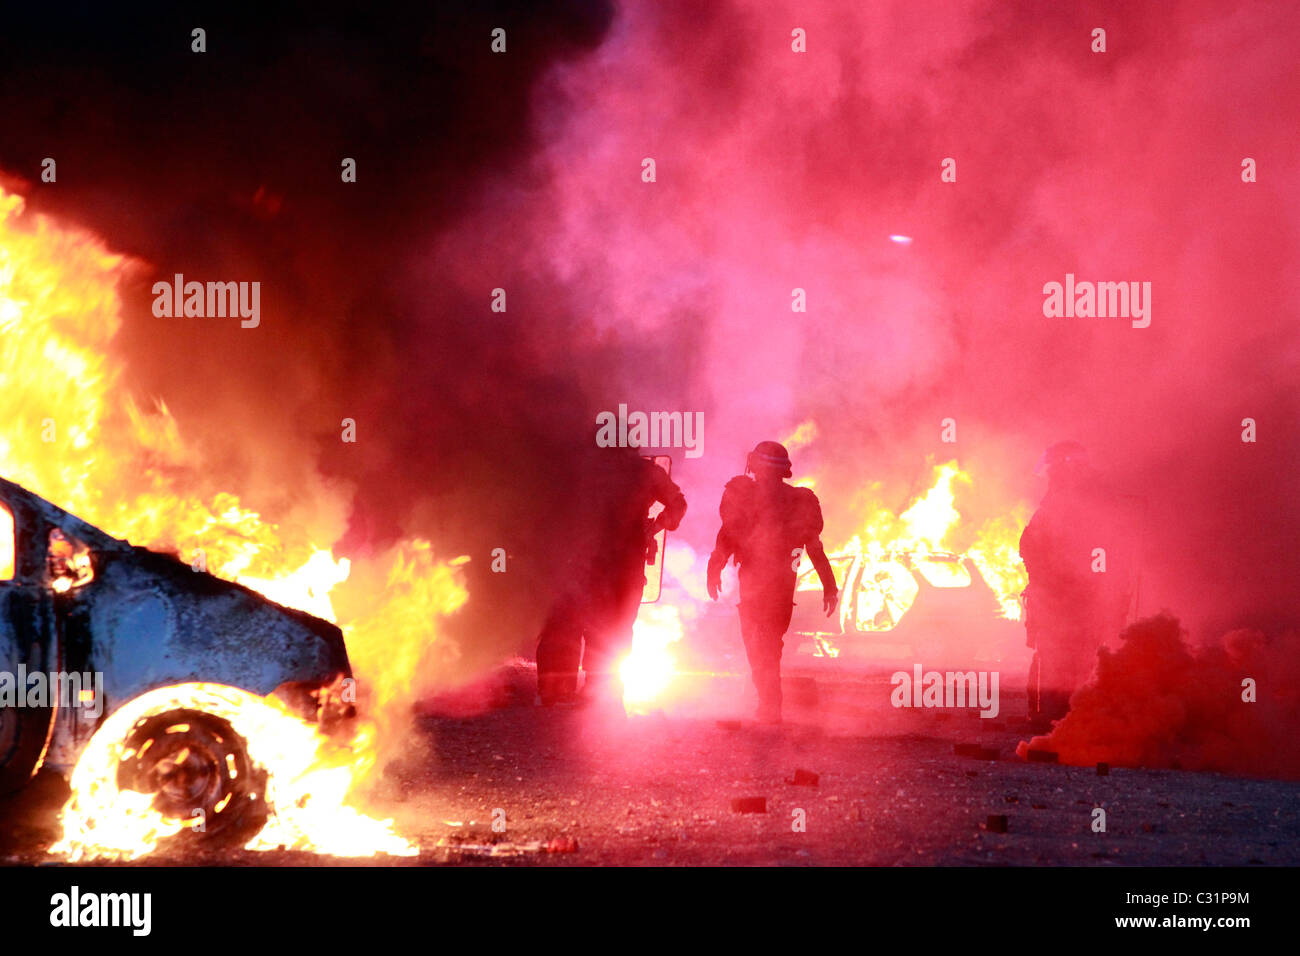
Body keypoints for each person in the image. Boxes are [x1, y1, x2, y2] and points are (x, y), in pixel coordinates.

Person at [536, 445, 686, 709]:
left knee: (566, 624)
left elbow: (547, 509)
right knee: (611, 630)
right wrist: (656, 526)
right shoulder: (645, 472)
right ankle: (598, 694)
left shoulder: (579, 467)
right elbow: (678, 504)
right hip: (623, 566)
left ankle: (557, 691)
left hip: (583, 563)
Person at [706, 441, 837, 724]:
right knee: (767, 644)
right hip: (777, 586)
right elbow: (814, 547)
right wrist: (829, 585)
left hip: (764, 586)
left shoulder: (744, 494)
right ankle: (768, 703)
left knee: (759, 645)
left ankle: (769, 705)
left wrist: (713, 569)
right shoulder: (800, 500)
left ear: (755, 465)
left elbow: (726, 536)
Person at [1019, 441, 1133, 726]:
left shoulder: (1076, 501)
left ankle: (1056, 712)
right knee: (1056, 651)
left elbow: (1107, 547)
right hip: (1061, 596)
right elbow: (1031, 546)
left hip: (1076, 595)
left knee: (1070, 651)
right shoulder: (1061, 501)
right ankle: (1049, 714)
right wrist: (1047, 583)